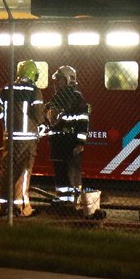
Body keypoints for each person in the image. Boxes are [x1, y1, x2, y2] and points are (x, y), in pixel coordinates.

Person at [0, 60, 45, 217]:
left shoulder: (7, 88)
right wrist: (41, 126)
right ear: (33, 75)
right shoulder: (34, 91)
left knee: (8, 171)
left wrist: (3, 118)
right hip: (27, 140)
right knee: (23, 172)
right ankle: (21, 208)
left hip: (10, 138)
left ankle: (2, 207)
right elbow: (39, 115)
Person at [45, 65, 90, 203]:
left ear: (68, 80)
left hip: (70, 142)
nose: (57, 83)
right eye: (57, 80)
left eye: (60, 80)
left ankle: (74, 200)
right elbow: (52, 119)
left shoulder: (77, 98)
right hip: (58, 141)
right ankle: (63, 199)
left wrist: (80, 143)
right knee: (60, 172)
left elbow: (83, 121)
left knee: (72, 172)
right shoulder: (57, 97)